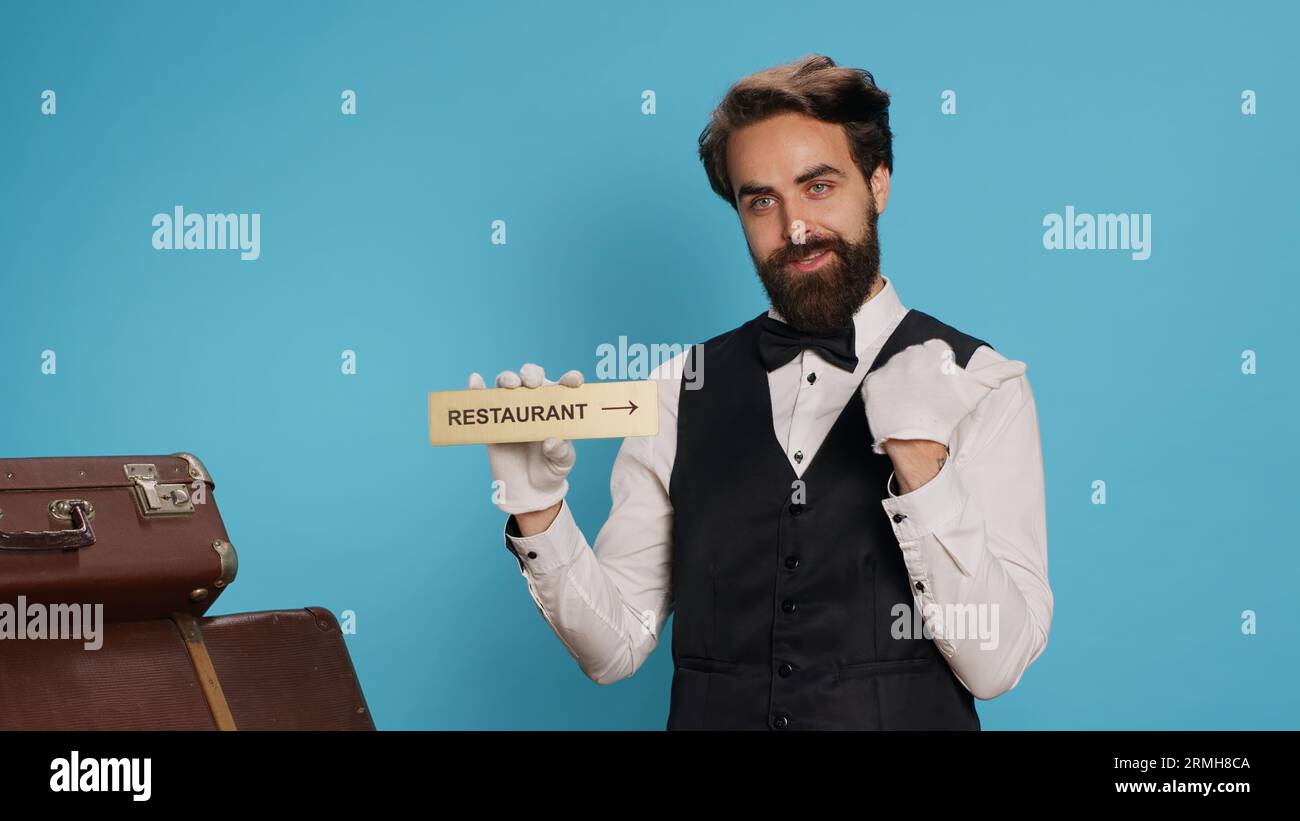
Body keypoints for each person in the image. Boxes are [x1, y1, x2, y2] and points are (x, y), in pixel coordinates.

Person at [469, 54, 1052, 730]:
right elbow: (615, 646)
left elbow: (998, 663)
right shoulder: (676, 390)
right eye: (761, 200)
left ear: (879, 184)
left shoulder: (981, 381)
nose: (794, 227)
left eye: (819, 186)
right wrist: (540, 514)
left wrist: (923, 465)